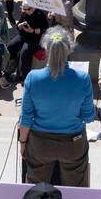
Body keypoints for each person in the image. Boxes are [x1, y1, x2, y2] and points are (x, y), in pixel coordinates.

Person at [19, 26, 96, 186]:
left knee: (36, 191)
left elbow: (26, 119)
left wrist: (23, 143)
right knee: (75, 192)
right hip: (73, 144)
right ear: (69, 49)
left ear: (46, 49)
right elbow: (88, 116)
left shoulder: (33, 78)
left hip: (40, 144)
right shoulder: (83, 78)